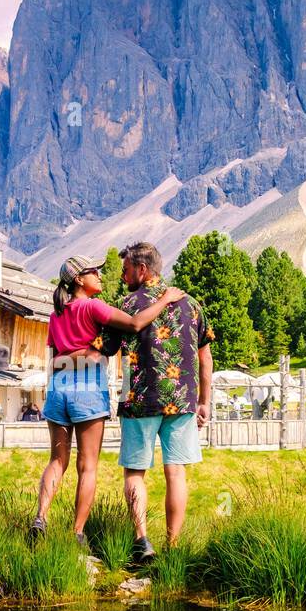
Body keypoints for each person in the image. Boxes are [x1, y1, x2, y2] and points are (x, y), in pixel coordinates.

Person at [32, 255, 184, 542]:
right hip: (88, 390)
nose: (100, 276)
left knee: (57, 460)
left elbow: (53, 363)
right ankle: (77, 533)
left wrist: (70, 356)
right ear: (79, 279)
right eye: (94, 272)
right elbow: (137, 323)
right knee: (87, 466)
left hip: (58, 389)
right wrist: (165, 299)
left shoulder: (56, 314)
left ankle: (41, 516)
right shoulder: (93, 307)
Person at [101, 242, 214, 565]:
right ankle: (174, 546)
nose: (122, 277)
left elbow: (104, 348)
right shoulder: (192, 305)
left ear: (142, 270)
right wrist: (204, 401)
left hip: (139, 400)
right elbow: (206, 358)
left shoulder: (125, 304)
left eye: (125, 270)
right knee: (175, 473)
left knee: (135, 472)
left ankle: (142, 541)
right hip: (182, 400)